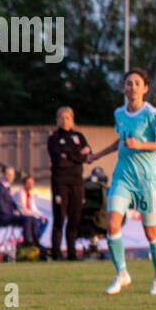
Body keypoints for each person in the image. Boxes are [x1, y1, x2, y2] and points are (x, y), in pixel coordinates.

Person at [87, 68, 156, 295]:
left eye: (137, 83)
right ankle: (122, 273)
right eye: (128, 83)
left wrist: (141, 145)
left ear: (145, 88)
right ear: (123, 88)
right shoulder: (119, 114)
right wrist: (98, 155)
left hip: (147, 180)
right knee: (112, 224)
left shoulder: (152, 114)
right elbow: (121, 141)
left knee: (150, 231)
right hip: (123, 177)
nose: (132, 87)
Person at [47, 106, 92, 261]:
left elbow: (88, 155)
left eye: (67, 118)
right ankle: (56, 252)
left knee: (75, 217)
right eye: (61, 117)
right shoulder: (53, 139)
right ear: (57, 120)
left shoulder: (79, 136)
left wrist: (70, 154)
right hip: (60, 182)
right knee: (60, 216)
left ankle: (72, 252)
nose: (64, 120)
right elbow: (59, 160)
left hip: (77, 182)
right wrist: (78, 154)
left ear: (72, 120)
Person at [0, 167, 39, 246]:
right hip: (5, 217)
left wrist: (15, 210)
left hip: (10, 215)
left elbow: (11, 204)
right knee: (27, 219)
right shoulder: (0, 189)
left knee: (32, 219)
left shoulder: (6, 188)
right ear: (4, 175)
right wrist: (13, 212)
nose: (12, 177)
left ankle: (36, 243)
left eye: (13, 175)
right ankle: (28, 243)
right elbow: (0, 206)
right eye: (9, 175)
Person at [13, 175, 48, 244]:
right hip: (22, 216)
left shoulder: (29, 194)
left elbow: (34, 209)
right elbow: (23, 210)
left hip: (30, 215)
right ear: (24, 184)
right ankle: (32, 242)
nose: (31, 185)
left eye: (32, 183)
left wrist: (41, 215)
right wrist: (35, 216)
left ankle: (35, 241)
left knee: (44, 221)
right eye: (28, 183)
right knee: (37, 221)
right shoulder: (20, 194)